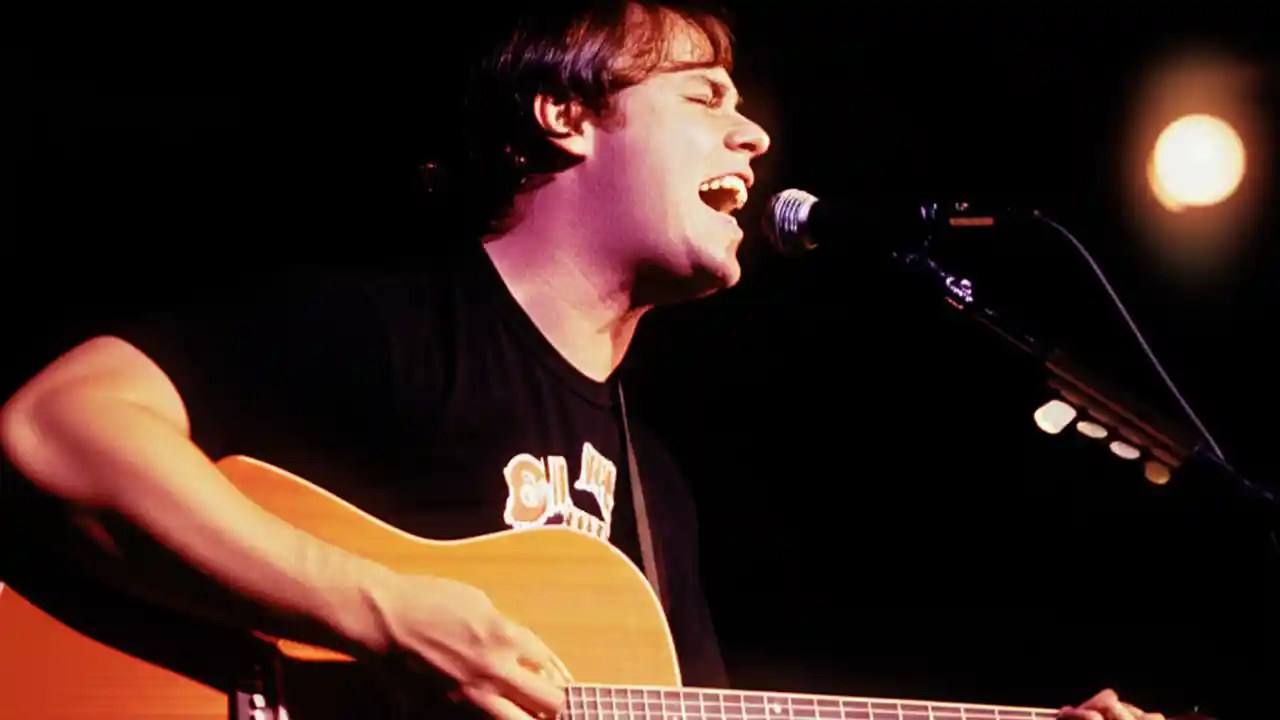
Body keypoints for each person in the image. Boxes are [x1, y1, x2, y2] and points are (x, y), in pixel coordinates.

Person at [1, 2, 1165, 719]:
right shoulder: (393, 333)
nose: (752, 134)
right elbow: (59, 423)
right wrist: (384, 614)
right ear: (564, 112)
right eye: (704, 93)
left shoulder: (653, 490)